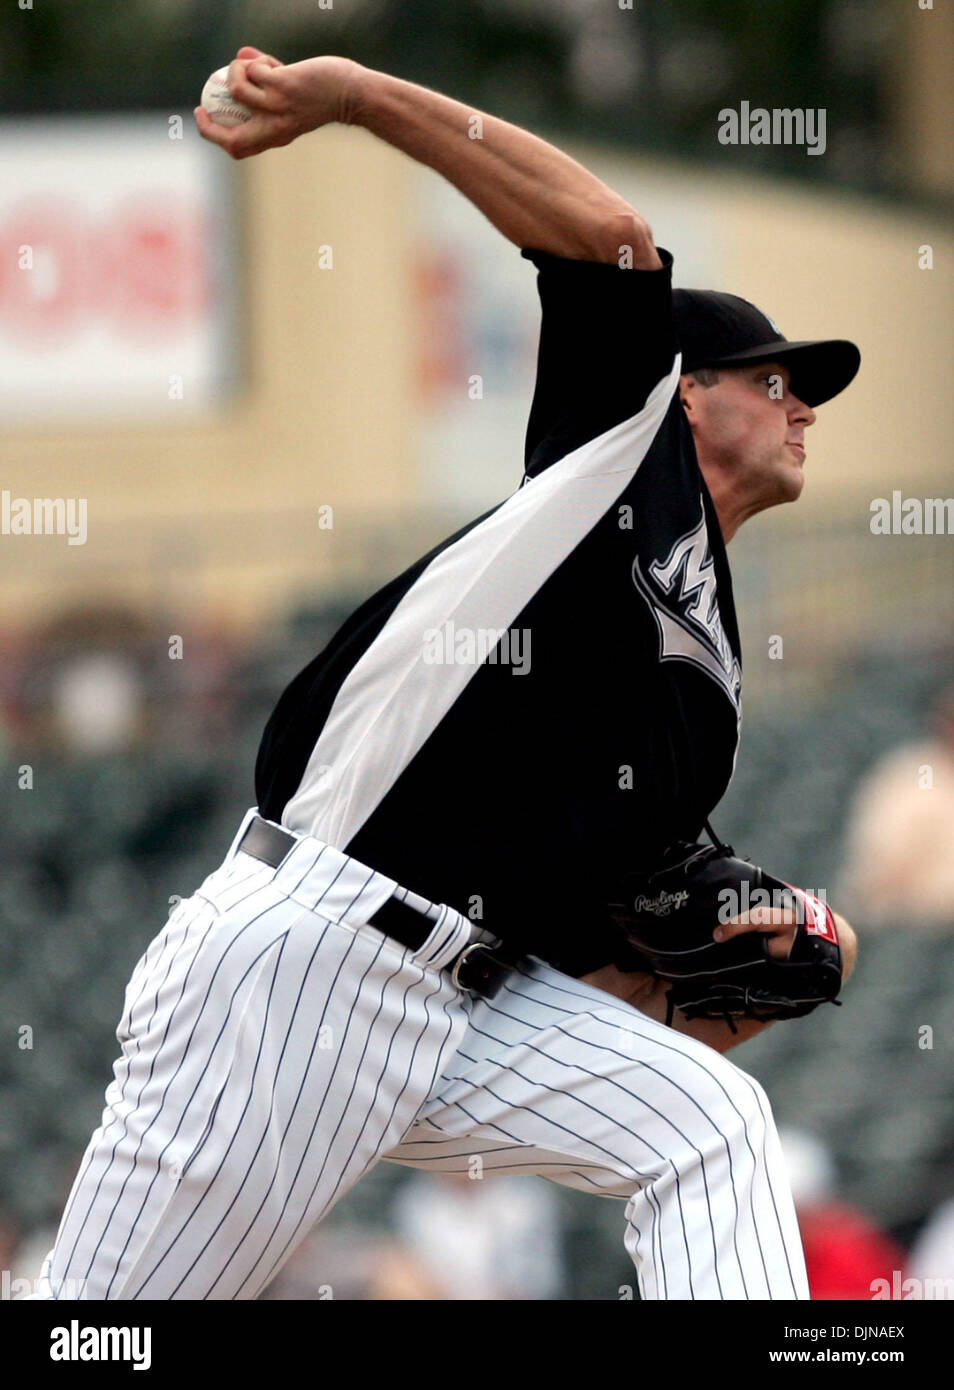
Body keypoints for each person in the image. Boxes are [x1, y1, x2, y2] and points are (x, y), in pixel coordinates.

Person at [35, 48, 859, 1301]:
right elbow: (609, 237)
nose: (807, 408)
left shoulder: (711, 702)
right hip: (304, 968)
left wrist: (714, 984)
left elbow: (598, 935)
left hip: (468, 1000)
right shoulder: (621, 462)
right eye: (779, 379)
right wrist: (354, 97)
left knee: (710, 1124)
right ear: (686, 396)